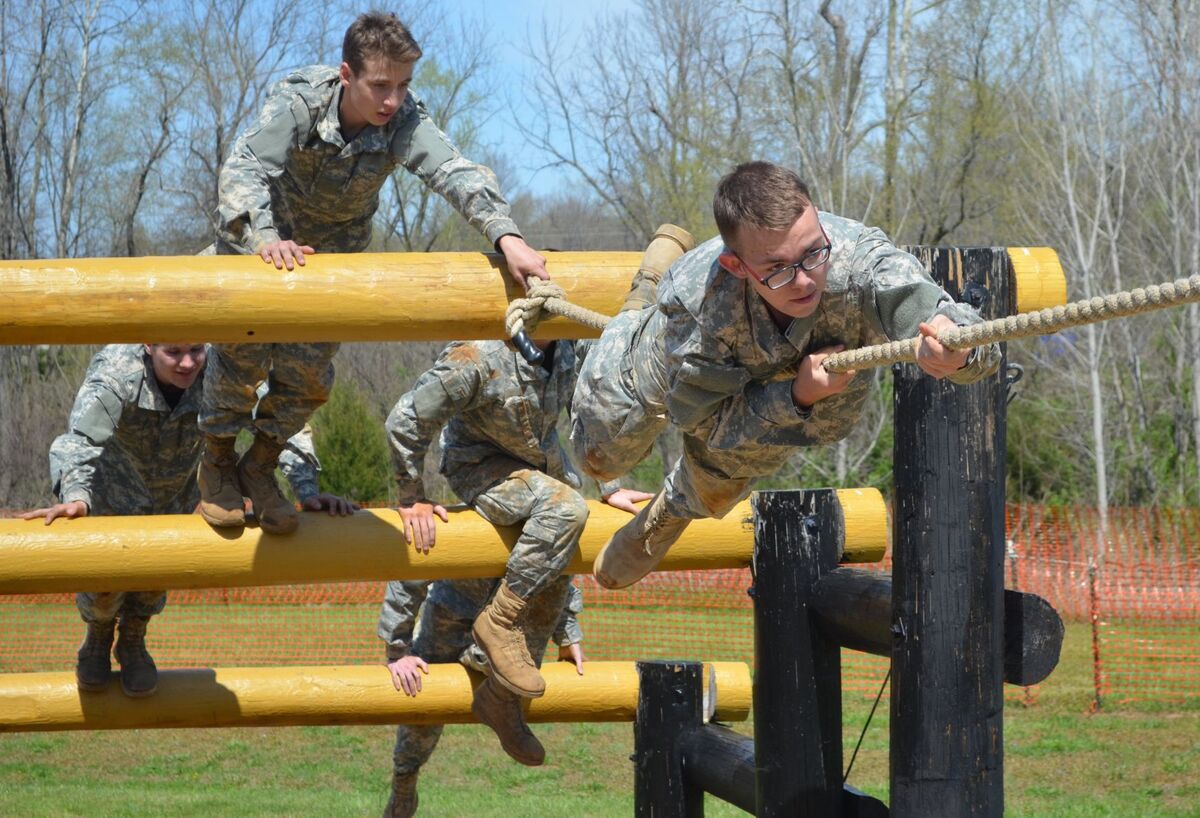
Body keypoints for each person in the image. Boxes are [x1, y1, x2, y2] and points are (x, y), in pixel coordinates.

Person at [197, 10, 549, 536]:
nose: (392, 100)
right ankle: (219, 462)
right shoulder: (300, 102)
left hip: (328, 265)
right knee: (240, 365)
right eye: (381, 86)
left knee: (308, 378)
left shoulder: (403, 120)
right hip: (262, 253)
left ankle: (261, 465)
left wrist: (507, 236)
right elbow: (245, 167)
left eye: (403, 86)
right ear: (347, 75)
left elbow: (452, 170)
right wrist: (265, 239)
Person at [572, 161, 1003, 589]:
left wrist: (956, 347)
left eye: (813, 253)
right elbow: (703, 423)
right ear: (738, 266)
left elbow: (945, 320)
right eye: (779, 268)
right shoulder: (698, 303)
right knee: (599, 455)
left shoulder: (860, 257)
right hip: (680, 355)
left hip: (805, 383)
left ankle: (672, 510)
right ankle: (642, 294)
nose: (805, 281)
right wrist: (794, 395)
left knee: (726, 475)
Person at [21, 343, 355, 697]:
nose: (187, 362)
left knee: (154, 579)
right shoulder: (118, 369)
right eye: (174, 352)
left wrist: (307, 490)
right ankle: (98, 637)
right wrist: (75, 495)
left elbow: (281, 422)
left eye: (196, 349)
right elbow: (80, 437)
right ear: (148, 345)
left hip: (174, 496)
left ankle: (133, 638)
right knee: (104, 587)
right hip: (114, 494)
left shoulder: (219, 369)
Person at [384, 336, 651, 699]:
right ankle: (498, 624)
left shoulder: (568, 347)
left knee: (564, 512)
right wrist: (412, 497)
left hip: (538, 490)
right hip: (476, 492)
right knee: (424, 701)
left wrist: (609, 483)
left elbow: (588, 414)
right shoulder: (479, 357)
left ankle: (502, 701)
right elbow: (405, 421)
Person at [377, 576, 583, 817]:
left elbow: (552, 569)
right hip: (446, 619)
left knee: (517, 667)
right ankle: (404, 780)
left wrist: (567, 633)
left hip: (505, 629)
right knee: (419, 709)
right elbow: (409, 576)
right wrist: (398, 650)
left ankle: (481, 663)